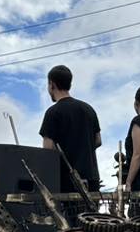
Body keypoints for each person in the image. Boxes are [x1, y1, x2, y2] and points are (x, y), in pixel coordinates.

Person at [39, 63, 101, 194]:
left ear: (51, 84)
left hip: (65, 182)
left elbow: (48, 149)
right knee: (91, 209)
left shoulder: (53, 112)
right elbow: (98, 140)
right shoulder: (89, 109)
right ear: (69, 84)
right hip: (91, 181)